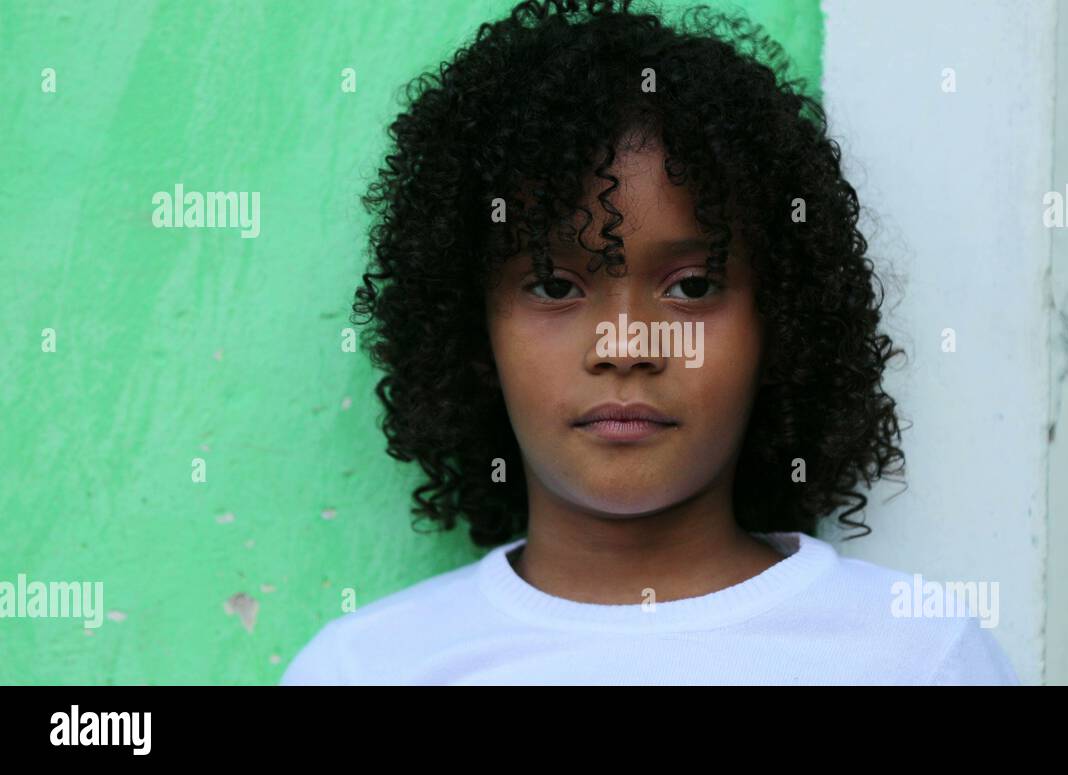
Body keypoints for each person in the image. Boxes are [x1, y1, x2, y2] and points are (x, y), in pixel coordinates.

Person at [281, 0, 1018, 685]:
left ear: (781, 324)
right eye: (552, 283)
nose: (624, 343)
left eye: (693, 287)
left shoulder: (914, 655)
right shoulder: (366, 668)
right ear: (475, 334)